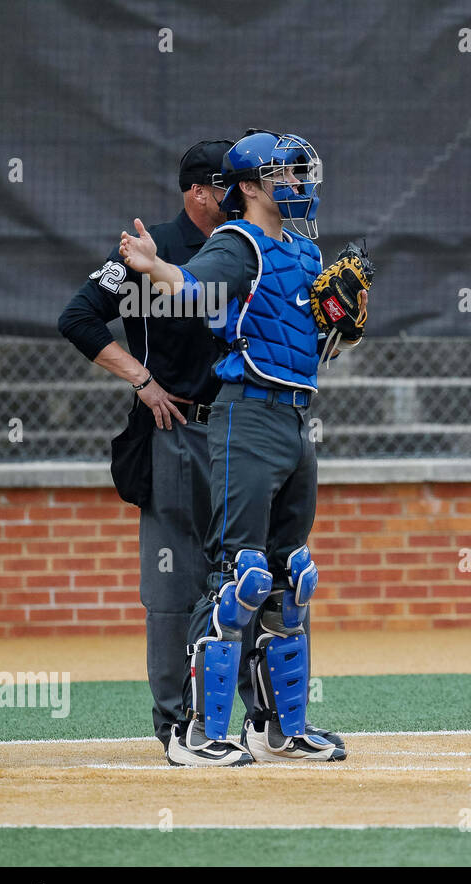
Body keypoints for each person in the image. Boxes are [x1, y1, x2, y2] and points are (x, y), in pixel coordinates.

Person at [119, 130, 361, 765]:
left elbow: (311, 343)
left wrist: (342, 328)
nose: (299, 186)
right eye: (284, 176)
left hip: (294, 420)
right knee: (241, 577)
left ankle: (283, 728)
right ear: (250, 187)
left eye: (300, 174)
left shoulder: (305, 252)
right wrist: (155, 267)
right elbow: (194, 291)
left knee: (292, 577)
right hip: (245, 418)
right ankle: (196, 734)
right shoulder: (238, 242)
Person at [58, 140, 233, 755]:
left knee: (246, 577)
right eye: (225, 182)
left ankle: (251, 721)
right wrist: (141, 378)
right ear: (196, 191)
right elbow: (77, 318)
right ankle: (176, 725)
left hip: (242, 431)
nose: (239, 191)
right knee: (174, 584)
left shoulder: (246, 248)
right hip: (176, 429)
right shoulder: (145, 248)